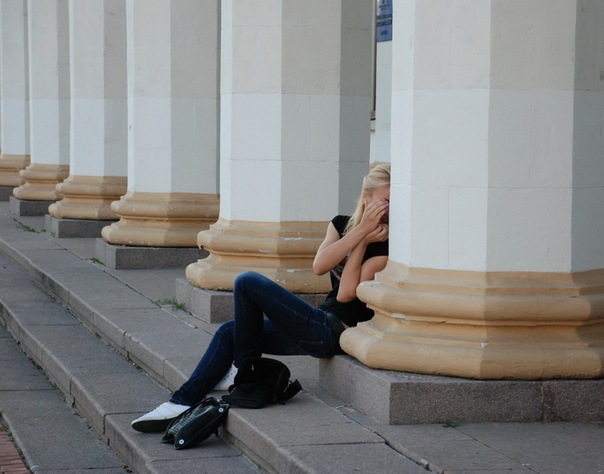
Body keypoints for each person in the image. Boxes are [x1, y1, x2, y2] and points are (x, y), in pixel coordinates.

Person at [131, 163, 391, 433]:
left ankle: (246, 371)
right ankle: (180, 402)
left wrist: (362, 240)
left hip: (335, 331)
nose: (390, 208)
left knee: (247, 282)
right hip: (319, 322)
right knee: (229, 332)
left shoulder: (387, 246)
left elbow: (347, 294)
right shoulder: (340, 225)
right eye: (385, 200)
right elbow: (319, 266)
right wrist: (360, 232)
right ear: (367, 198)